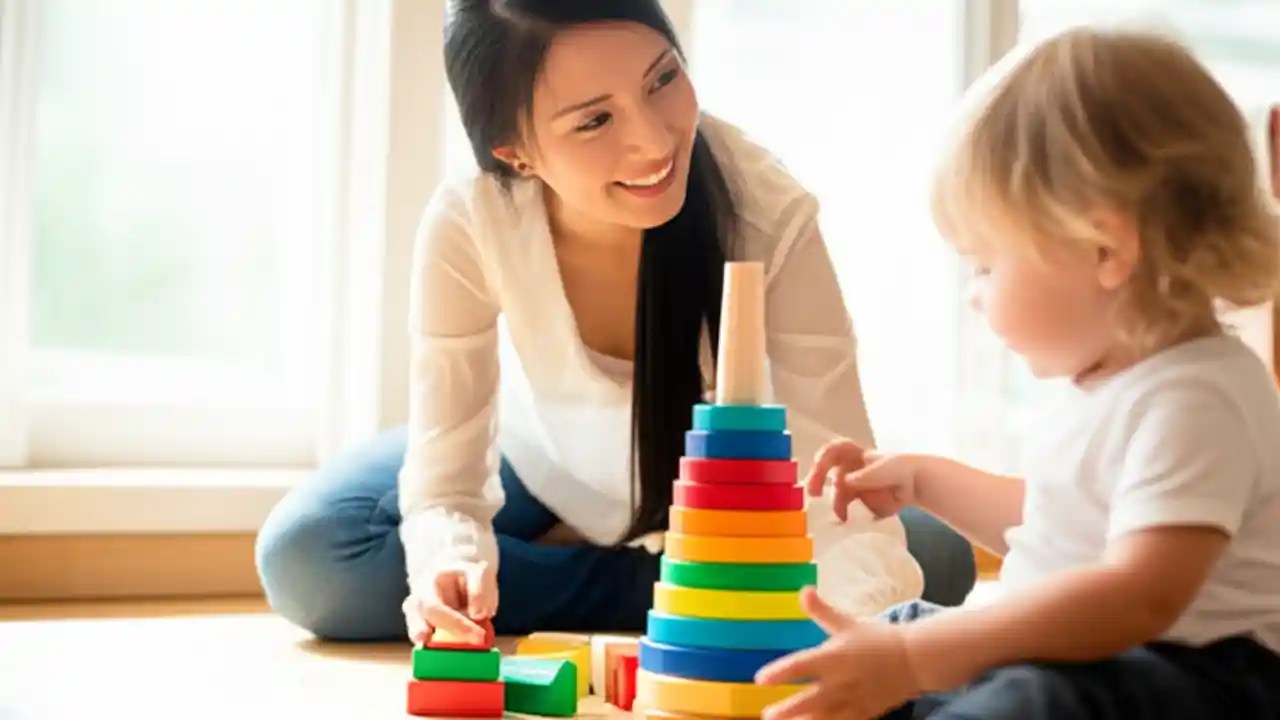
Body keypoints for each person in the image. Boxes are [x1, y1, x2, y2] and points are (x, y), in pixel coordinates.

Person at [253, 0, 976, 644]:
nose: (655, 141)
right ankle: (672, 592)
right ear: (516, 152)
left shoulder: (767, 211)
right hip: (542, 462)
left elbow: (826, 470)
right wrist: (452, 570)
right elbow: (447, 481)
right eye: (595, 119)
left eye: (662, 79)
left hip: (728, 494)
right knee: (315, 557)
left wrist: (872, 639)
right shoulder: (472, 220)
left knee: (935, 559)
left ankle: (668, 583)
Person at [754, 26, 1280, 720]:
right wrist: (923, 479)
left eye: (985, 265)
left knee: (1021, 696)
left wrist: (921, 661)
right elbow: (1058, 526)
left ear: (1106, 248)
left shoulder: (1196, 397)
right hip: (1098, 658)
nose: (975, 293)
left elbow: (1138, 595)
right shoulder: (1116, 386)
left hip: (1198, 681)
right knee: (894, 632)